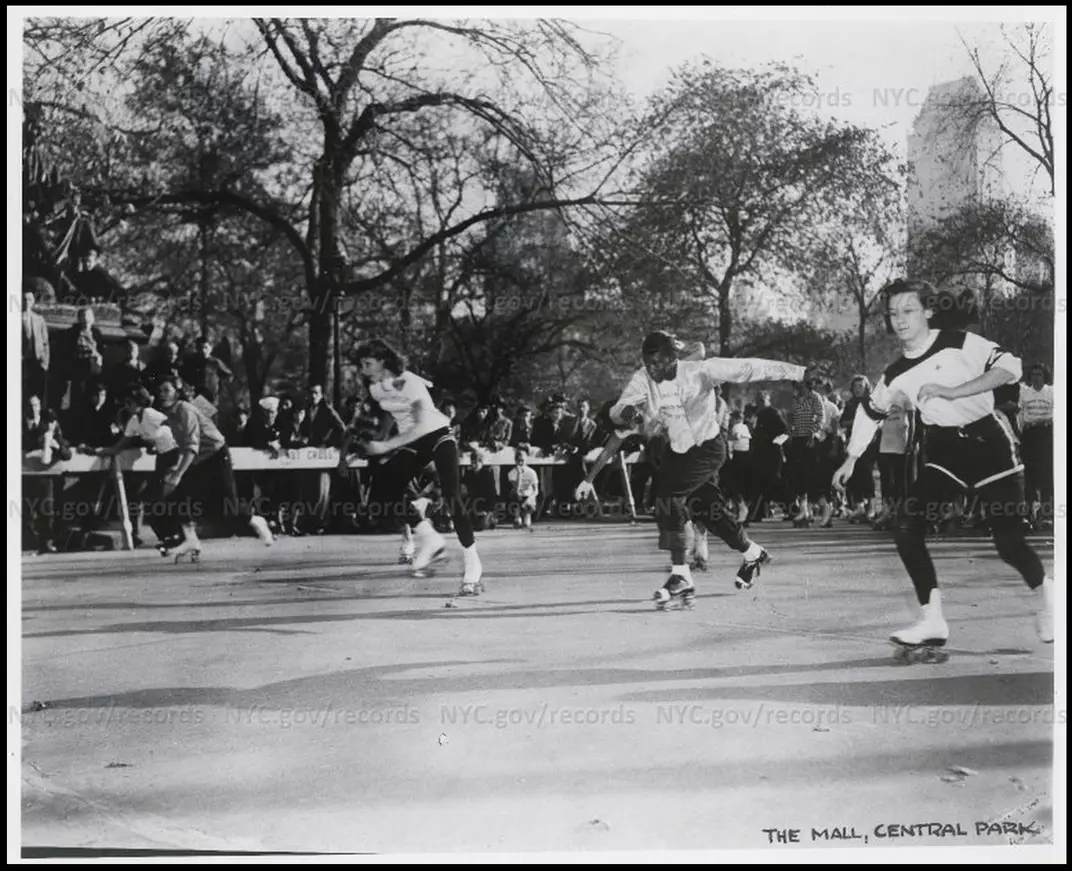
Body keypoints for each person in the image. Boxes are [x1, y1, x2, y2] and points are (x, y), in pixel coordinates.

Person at [833, 279, 1053, 651]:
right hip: (944, 452)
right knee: (906, 524)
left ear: (928, 311)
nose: (899, 320)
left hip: (990, 445)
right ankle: (932, 619)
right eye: (893, 313)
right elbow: (871, 412)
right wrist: (852, 458)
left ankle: (1048, 598)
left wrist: (953, 392)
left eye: (909, 310)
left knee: (1009, 544)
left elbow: (1011, 367)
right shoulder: (895, 372)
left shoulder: (959, 342)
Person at [608, 330, 806, 606]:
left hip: (708, 448)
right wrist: (626, 412)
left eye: (660, 364)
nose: (654, 371)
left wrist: (798, 372)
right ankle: (751, 552)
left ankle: (681, 574)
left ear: (674, 358)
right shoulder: (643, 378)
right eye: (649, 364)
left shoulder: (701, 371)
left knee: (668, 498)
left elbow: (750, 368)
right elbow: (617, 408)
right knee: (708, 510)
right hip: (678, 452)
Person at [347, 339, 484, 595]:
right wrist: (358, 447)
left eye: (368, 363)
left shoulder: (410, 381)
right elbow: (385, 418)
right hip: (415, 442)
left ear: (383, 361)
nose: (363, 369)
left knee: (453, 497)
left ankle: (472, 561)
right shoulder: (377, 388)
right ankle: (430, 538)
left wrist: (386, 447)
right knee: (382, 489)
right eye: (361, 365)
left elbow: (421, 424)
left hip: (438, 436)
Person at [155, 377, 273, 560]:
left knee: (228, 506)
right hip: (199, 460)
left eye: (166, 390)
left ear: (177, 392)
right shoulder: (169, 415)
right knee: (175, 492)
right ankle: (190, 539)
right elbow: (182, 445)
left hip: (217, 456)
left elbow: (191, 447)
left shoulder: (185, 409)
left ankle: (256, 519)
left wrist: (178, 473)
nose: (161, 395)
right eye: (160, 391)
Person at [97, 385, 181, 553]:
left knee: (162, 497)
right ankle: (169, 536)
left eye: (129, 402)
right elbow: (118, 447)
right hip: (162, 458)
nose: (127, 406)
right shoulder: (134, 421)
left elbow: (173, 426)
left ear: (138, 402)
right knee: (149, 498)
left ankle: (178, 535)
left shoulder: (150, 414)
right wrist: (96, 451)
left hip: (174, 454)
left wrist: (166, 447)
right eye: (125, 403)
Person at [1018, 363, 1053, 529]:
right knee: (1029, 475)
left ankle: (1046, 515)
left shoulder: (1051, 391)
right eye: (1033, 375)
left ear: (1044, 376)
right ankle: (1028, 515)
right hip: (1029, 435)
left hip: (1046, 435)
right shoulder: (1024, 392)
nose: (1036, 378)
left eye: (1039, 374)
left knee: (1047, 474)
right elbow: (1020, 414)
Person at [507, 449, 540, 530]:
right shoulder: (512, 472)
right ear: (515, 461)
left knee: (527, 523)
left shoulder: (532, 472)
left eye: (522, 460)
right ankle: (517, 517)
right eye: (518, 461)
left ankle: (527, 515)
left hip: (528, 495)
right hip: (518, 494)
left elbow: (536, 490)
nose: (520, 463)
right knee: (515, 494)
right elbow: (517, 488)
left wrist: (530, 498)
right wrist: (519, 474)